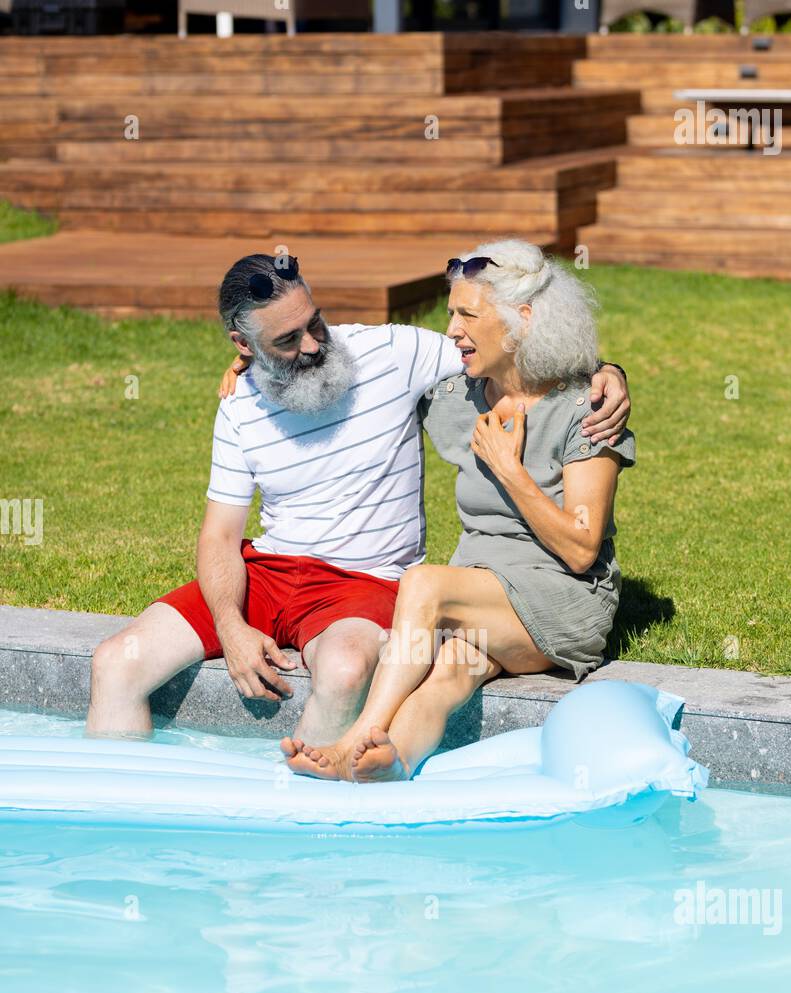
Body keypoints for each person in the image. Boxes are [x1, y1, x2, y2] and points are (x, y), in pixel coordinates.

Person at [86, 250, 629, 744]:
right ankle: (114, 837)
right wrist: (232, 629)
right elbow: (219, 535)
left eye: (313, 323)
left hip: (363, 584)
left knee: (345, 673)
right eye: (286, 341)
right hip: (271, 573)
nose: (313, 345)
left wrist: (608, 372)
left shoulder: (394, 352)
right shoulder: (240, 406)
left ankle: (303, 818)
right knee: (114, 663)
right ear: (243, 346)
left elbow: (516, 349)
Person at [281, 239, 635, 783]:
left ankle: (349, 739)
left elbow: (582, 549)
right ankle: (389, 761)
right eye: (451, 314)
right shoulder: (456, 396)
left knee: (423, 585)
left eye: (467, 315)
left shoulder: (584, 410)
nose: (451, 331)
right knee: (449, 672)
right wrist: (261, 355)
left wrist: (509, 469)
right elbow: (355, 359)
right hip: (483, 599)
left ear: (523, 320)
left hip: (563, 597)